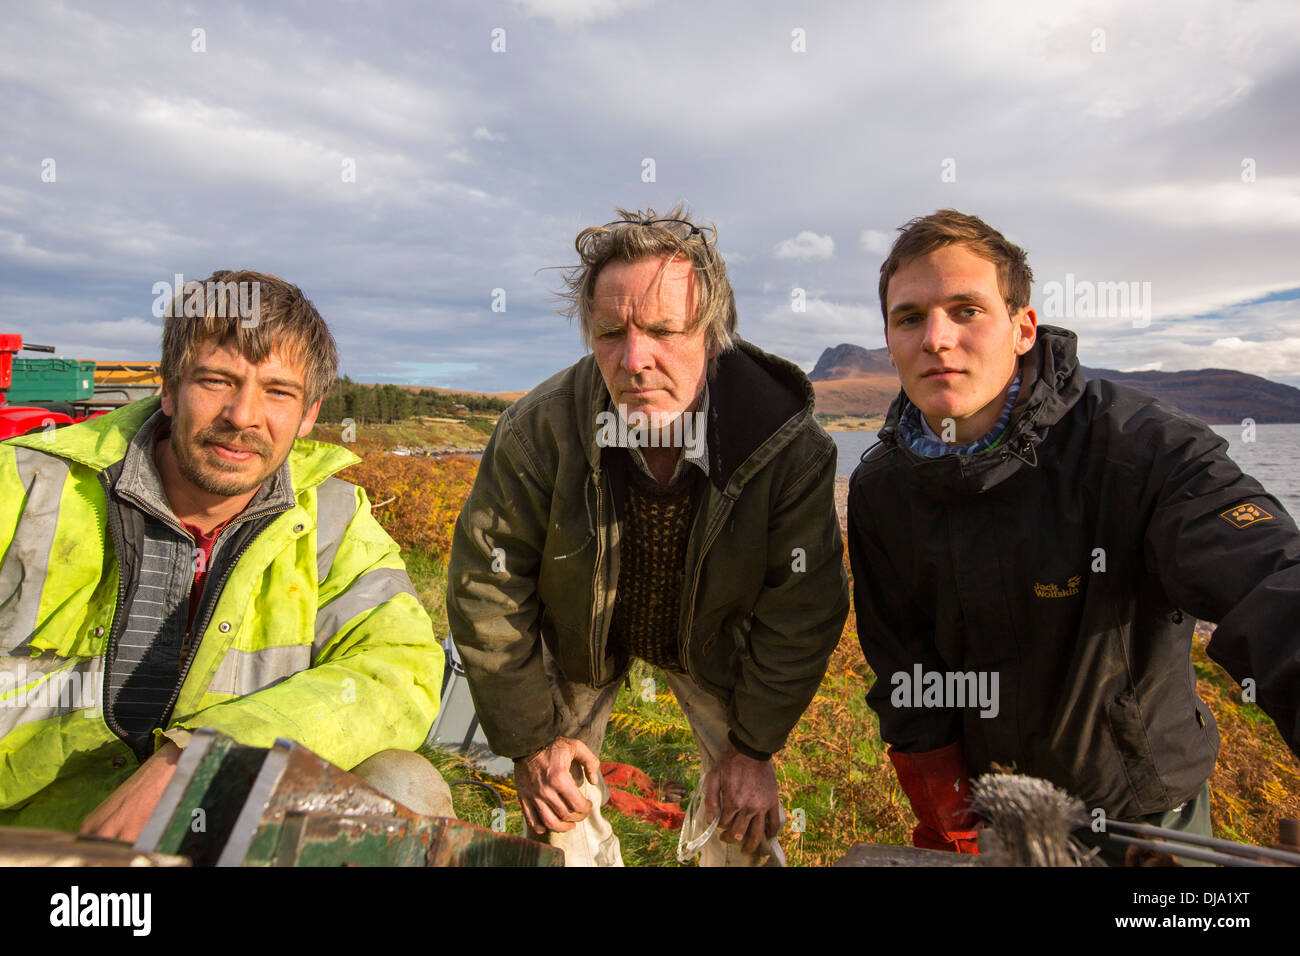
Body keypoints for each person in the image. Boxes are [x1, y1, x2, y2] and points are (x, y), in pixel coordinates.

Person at [847, 209, 1300, 864]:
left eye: (966, 309)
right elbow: (904, 661)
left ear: (1023, 328)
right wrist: (940, 796)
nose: (936, 339)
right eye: (910, 317)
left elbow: (1271, 577)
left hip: (1148, 817)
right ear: (889, 339)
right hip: (998, 813)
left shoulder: (1135, 445)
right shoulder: (882, 487)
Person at [446, 206, 849, 866]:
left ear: (712, 336)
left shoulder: (789, 449)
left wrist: (754, 748)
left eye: (664, 330)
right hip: (579, 635)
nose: (635, 359)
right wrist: (529, 742)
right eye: (610, 333)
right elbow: (488, 584)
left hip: (715, 640)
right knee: (551, 823)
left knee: (747, 830)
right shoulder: (537, 430)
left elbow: (802, 609)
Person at [0, 270, 449, 840]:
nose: (242, 417)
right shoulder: (24, 490)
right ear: (168, 390)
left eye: (278, 392)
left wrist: (202, 758)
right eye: (216, 380)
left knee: (403, 781)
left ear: (309, 414)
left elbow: (400, 669)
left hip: (222, 825)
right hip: (31, 835)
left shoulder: (333, 520)